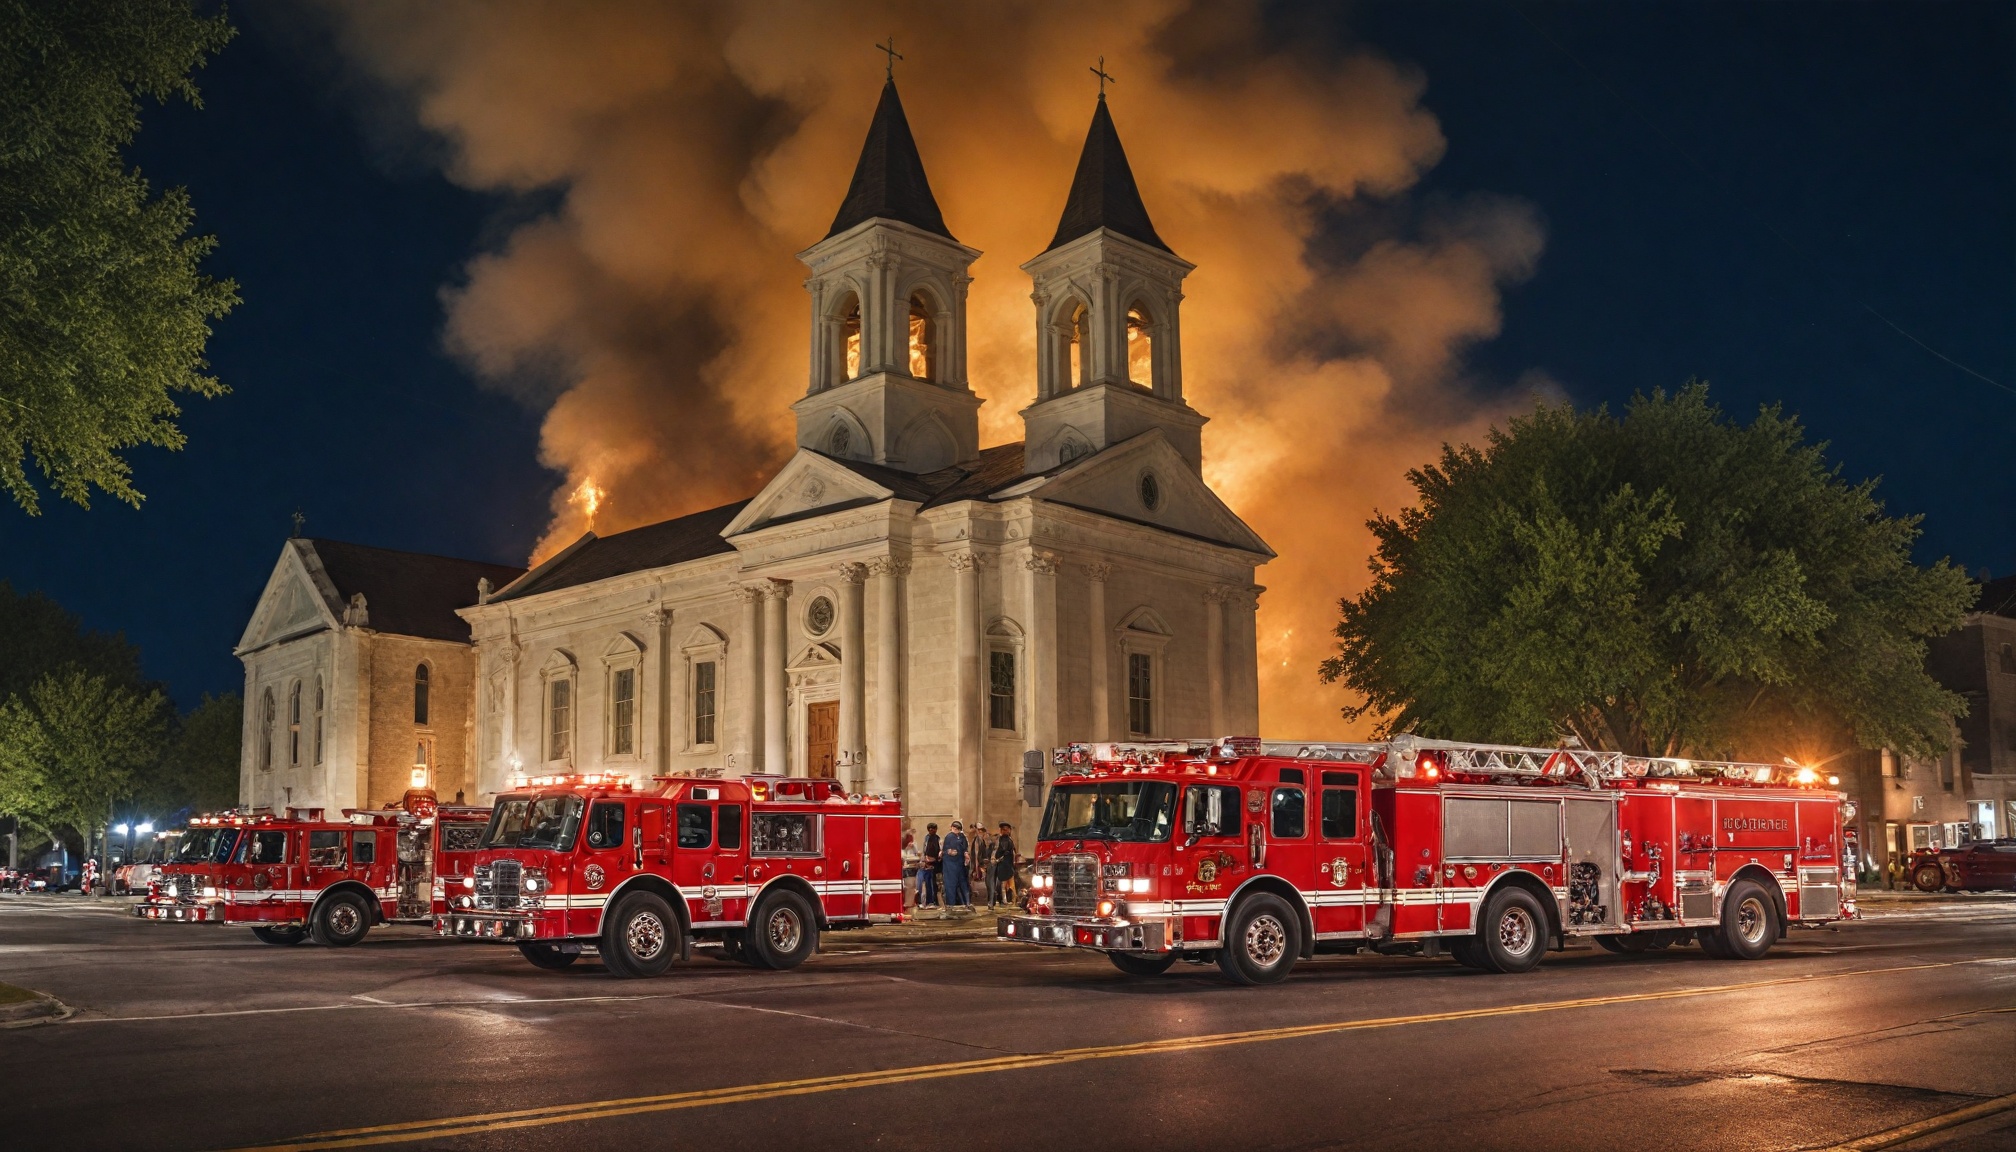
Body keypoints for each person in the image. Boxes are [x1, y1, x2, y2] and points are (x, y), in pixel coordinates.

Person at [941, 821, 971, 912]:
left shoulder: (962, 837)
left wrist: (966, 853)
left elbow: (964, 847)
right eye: (955, 829)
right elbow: (944, 850)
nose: (956, 831)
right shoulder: (949, 837)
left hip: (960, 864)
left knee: (963, 884)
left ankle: (966, 903)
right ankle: (951, 905)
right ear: (952, 828)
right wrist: (949, 852)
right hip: (950, 864)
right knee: (951, 885)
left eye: (958, 830)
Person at [993, 822, 1018, 908]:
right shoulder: (1003, 839)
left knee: (1008, 884)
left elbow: (1008, 852)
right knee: (1004, 884)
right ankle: (1005, 900)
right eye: (1003, 829)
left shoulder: (1008, 840)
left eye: (1007, 829)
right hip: (1004, 864)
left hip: (1007, 865)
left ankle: (1010, 900)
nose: (1005, 831)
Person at [918, 823, 941, 910]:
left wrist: (933, 860)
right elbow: (925, 850)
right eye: (930, 829)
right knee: (927, 884)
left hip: (934, 864)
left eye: (933, 829)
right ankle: (927, 902)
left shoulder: (937, 839)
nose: (931, 830)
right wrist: (924, 859)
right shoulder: (927, 838)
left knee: (932, 884)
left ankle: (933, 901)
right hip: (927, 864)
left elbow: (938, 852)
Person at [900, 829, 920, 907]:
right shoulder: (903, 850)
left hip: (913, 869)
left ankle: (911, 903)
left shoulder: (913, 847)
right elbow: (903, 857)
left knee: (912, 887)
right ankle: (908, 903)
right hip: (907, 870)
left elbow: (917, 854)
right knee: (909, 886)